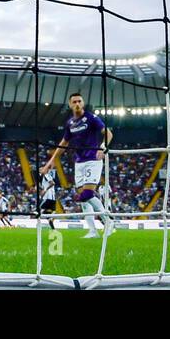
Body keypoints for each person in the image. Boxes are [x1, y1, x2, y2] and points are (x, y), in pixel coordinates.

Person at [41, 91, 113, 238]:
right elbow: (63, 143)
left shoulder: (91, 118)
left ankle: (109, 222)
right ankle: (93, 231)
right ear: (70, 105)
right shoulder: (70, 123)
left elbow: (108, 133)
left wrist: (103, 146)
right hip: (79, 163)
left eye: (79, 101)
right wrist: (51, 161)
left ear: (83, 103)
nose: (77, 104)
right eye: (74, 102)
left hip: (93, 159)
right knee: (84, 199)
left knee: (86, 194)